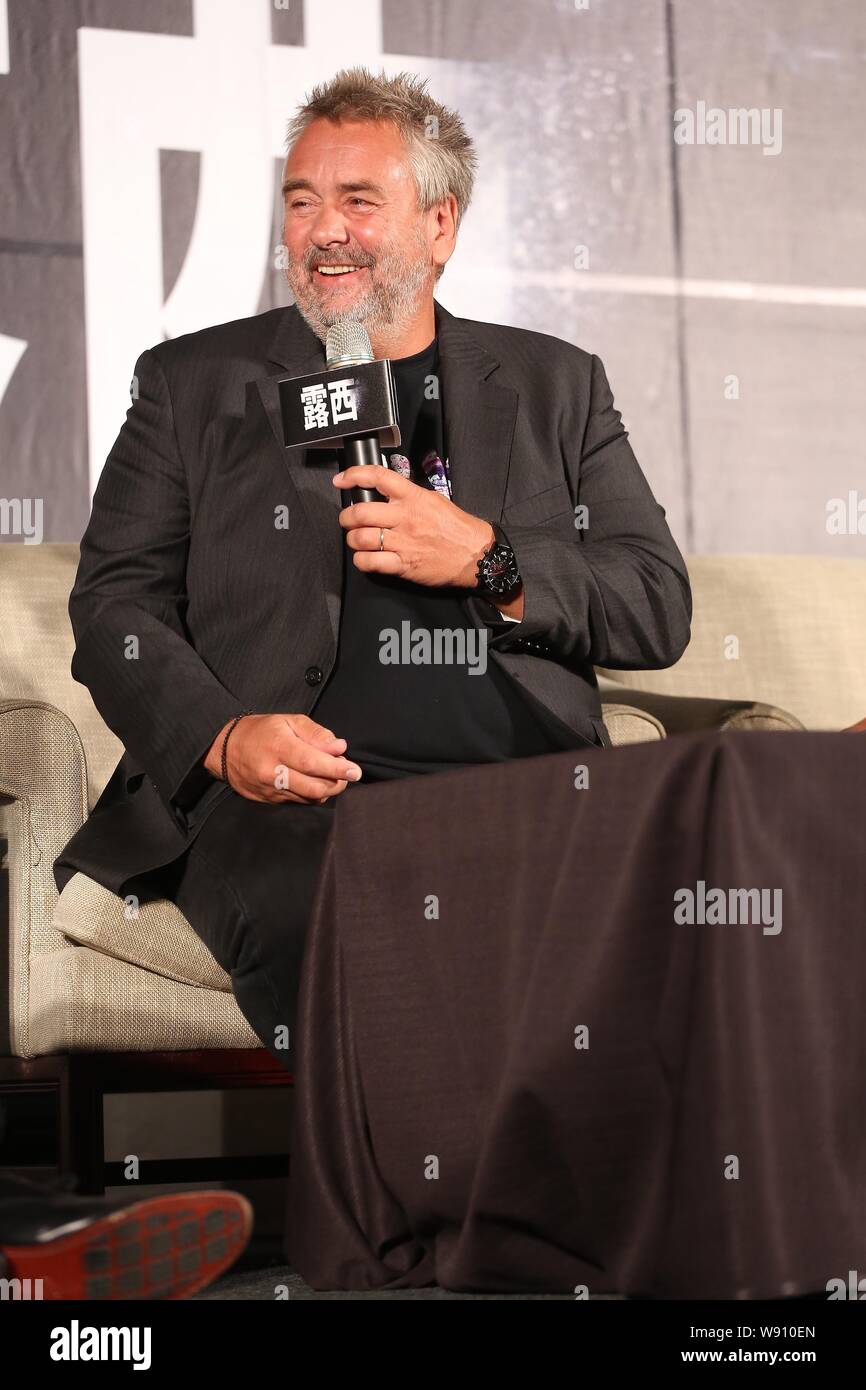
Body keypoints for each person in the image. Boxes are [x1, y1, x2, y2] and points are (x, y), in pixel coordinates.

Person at [52, 66, 691, 1086]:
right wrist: (222, 736)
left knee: (698, 904)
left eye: (358, 201)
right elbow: (113, 604)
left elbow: (654, 603)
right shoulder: (190, 384)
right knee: (340, 912)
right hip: (288, 804)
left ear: (439, 226)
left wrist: (492, 559)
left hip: (520, 790)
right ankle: (442, 1230)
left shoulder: (551, 384)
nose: (324, 231)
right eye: (301, 202)